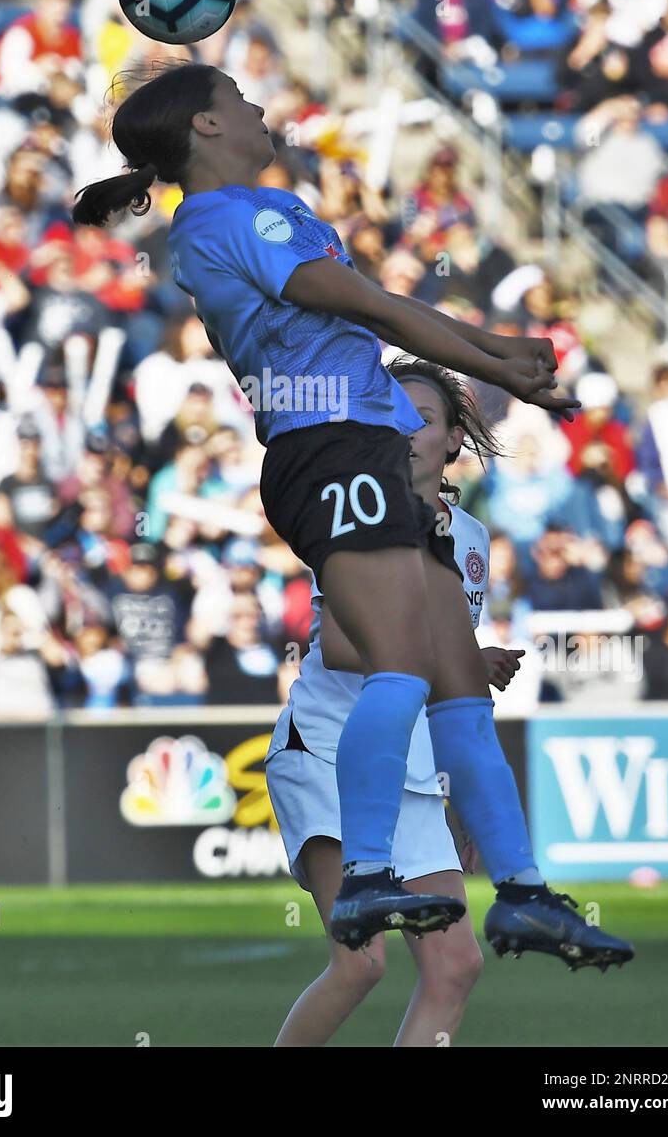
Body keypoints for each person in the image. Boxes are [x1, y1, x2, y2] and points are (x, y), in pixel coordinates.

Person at [71, 61, 632, 967]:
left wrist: (495, 349)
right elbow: (358, 302)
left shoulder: (265, 210)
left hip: (360, 443)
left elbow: (373, 308)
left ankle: (524, 893)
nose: (257, 107)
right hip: (325, 444)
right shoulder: (222, 219)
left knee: (452, 673)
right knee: (404, 663)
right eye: (238, 101)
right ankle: (370, 868)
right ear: (207, 130)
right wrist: (490, 365)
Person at [266, 360, 520, 1047]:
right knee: (360, 963)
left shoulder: (469, 540)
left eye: (424, 419)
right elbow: (348, 648)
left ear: (453, 442)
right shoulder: (350, 514)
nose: (406, 431)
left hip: (409, 772)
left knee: (456, 966)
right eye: (391, 417)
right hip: (325, 750)